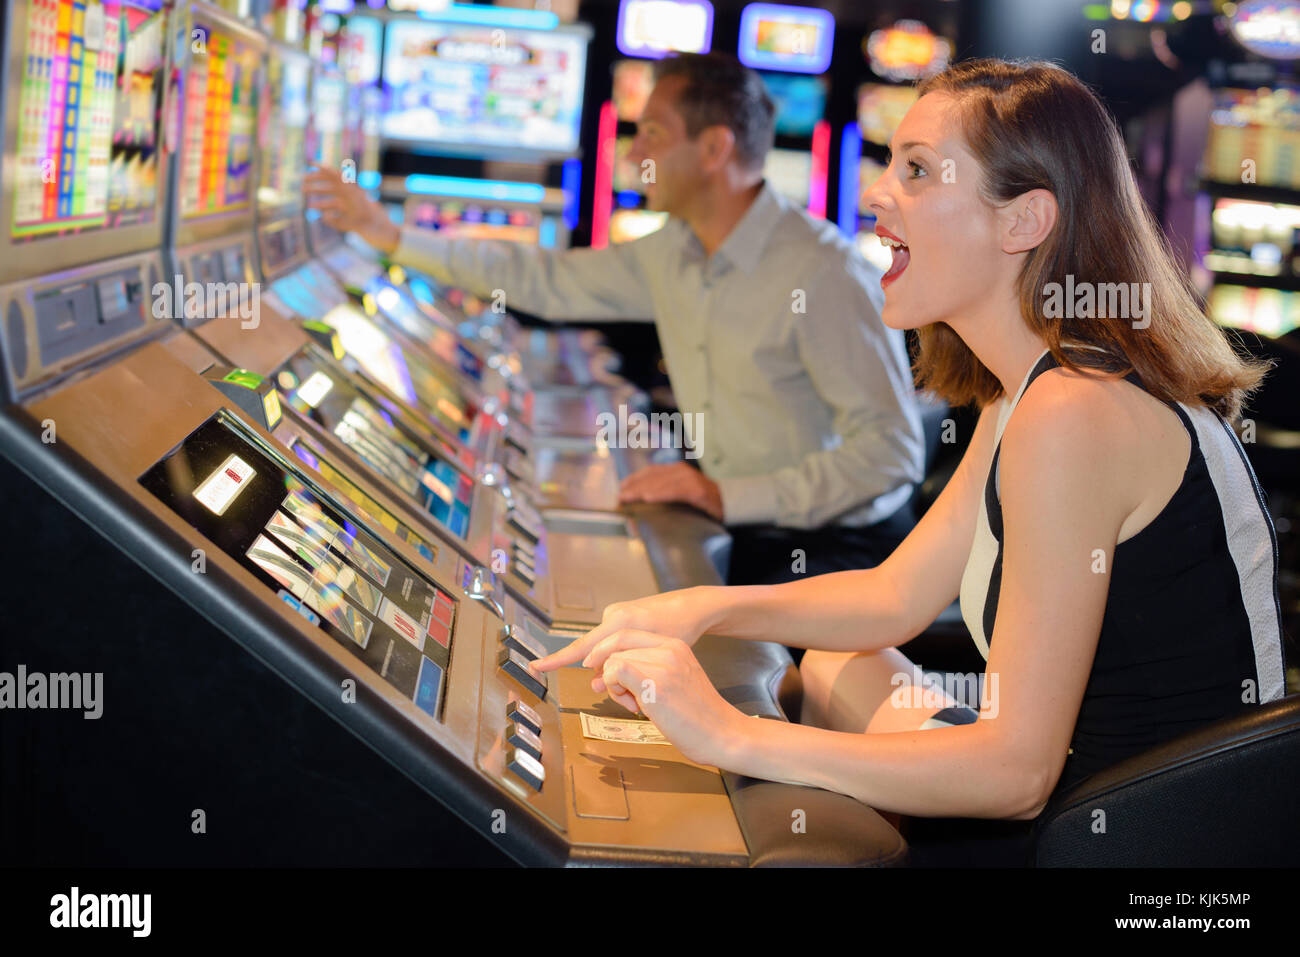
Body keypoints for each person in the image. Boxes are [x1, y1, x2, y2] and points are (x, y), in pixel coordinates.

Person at [530, 59, 1288, 825]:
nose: (873, 193)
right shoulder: (1035, 388)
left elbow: (1015, 774)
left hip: (1134, 850)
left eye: (919, 170)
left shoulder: (1076, 411)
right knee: (834, 661)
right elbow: (891, 596)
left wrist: (731, 733)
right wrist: (694, 608)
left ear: (1022, 221)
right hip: (1090, 796)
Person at [304, 52, 925, 588]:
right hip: (742, 524)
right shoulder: (675, 250)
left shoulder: (822, 272)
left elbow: (891, 456)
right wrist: (389, 234)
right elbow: (544, 281)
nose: (634, 153)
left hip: (840, 556)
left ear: (714, 149)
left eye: (653, 133)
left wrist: (722, 495)